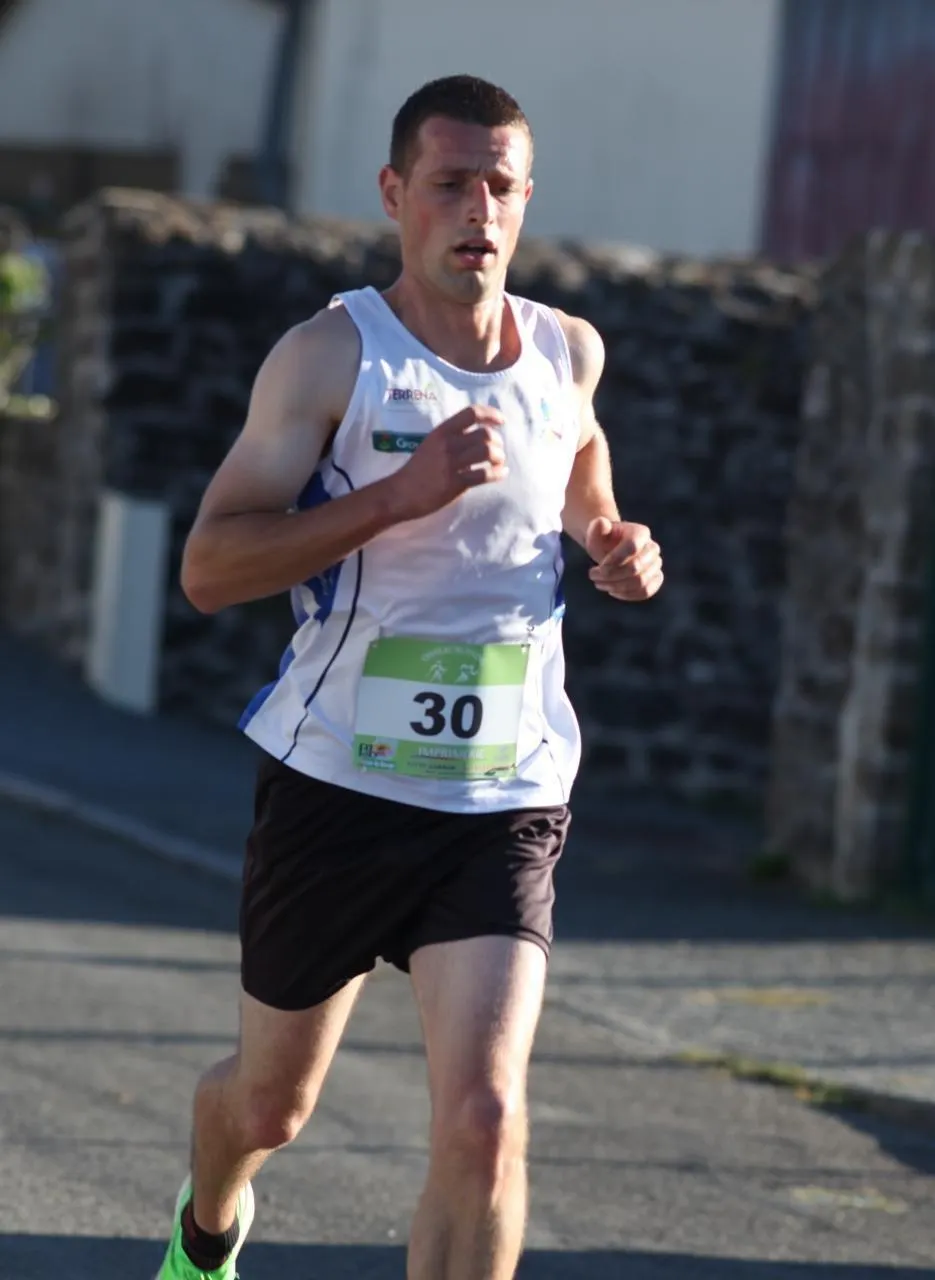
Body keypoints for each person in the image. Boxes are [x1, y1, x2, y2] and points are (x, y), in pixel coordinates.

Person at [154, 73, 663, 1280]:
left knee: (485, 1119)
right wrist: (399, 494)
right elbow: (211, 566)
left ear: (525, 200)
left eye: (499, 185)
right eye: (448, 184)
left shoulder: (567, 351)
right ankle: (206, 1218)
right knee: (269, 1108)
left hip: (502, 794)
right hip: (336, 787)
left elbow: (583, 474)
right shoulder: (329, 358)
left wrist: (613, 542)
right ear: (396, 195)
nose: (475, 210)